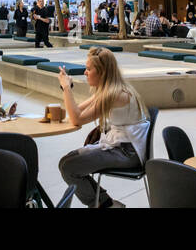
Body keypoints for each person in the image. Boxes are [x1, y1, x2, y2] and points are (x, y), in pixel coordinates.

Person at [57, 47, 150, 208]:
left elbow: (77, 119)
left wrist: (66, 88)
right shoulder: (110, 89)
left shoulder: (114, 94)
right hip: (124, 147)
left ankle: (104, 204)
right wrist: (67, 91)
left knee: (68, 166)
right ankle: (105, 202)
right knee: (67, 162)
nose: (85, 73)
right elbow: (78, 110)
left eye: (88, 69)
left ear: (102, 72)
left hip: (128, 153)